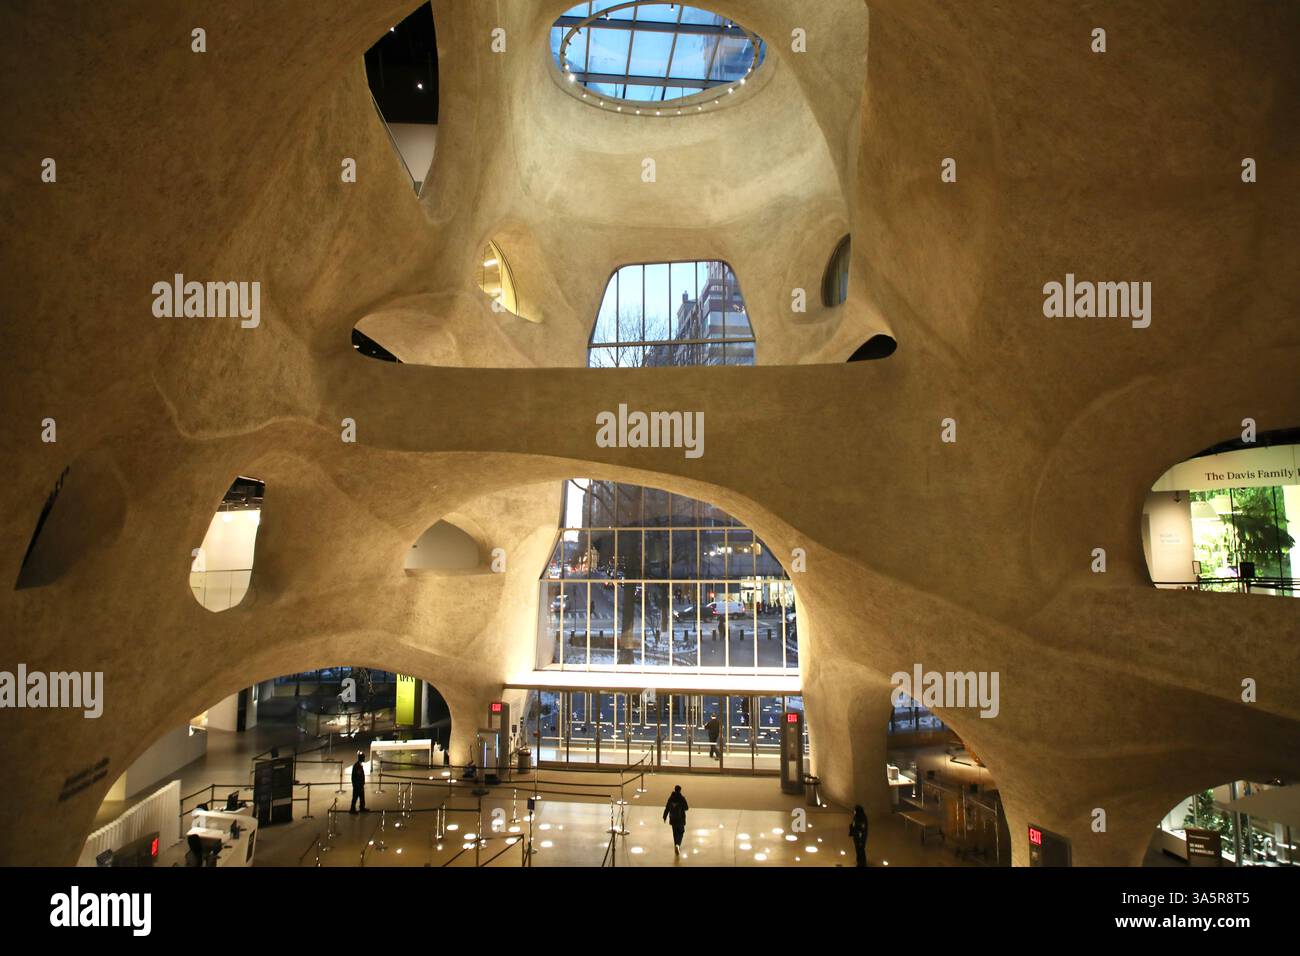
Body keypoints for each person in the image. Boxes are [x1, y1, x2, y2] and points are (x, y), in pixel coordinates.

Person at [663, 785, 689, 855]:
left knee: (675, 833)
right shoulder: (682, 798)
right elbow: (686, 808)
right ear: (680, 790)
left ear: (674, 790)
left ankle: (676, 846)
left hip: (672, 819)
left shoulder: (671, 798)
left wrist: (664, 817)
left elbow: (667, 808)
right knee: (681, 831)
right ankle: (677, 845)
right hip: (680, 819)